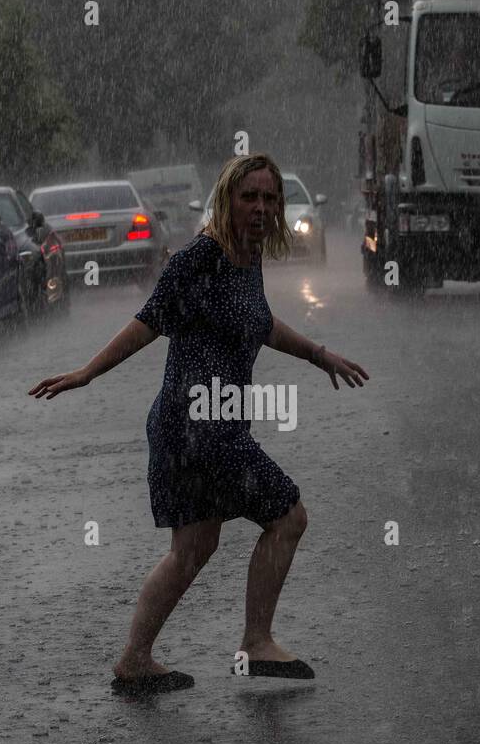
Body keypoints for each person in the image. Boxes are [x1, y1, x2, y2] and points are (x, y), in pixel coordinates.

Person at [29, 154, 368, 696]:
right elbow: (150, 320)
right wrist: (88, 373)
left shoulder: (245, 258)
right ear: (227, 199)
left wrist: (318, 354)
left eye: (269, 198)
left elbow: (259, 323)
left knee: (192, 548)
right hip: (200, 428)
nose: (259, 208)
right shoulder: (200, 259)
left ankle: (135, 659)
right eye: (248, 196)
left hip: (190, 427)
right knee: (287, 517)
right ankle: (256, 642)